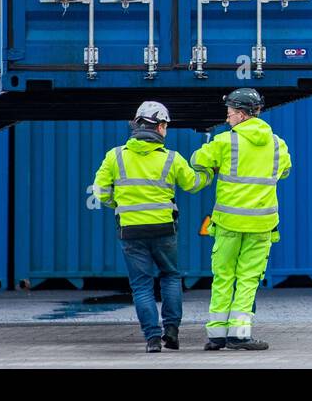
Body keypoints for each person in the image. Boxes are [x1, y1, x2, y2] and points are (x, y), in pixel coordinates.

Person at [92, 100, 212, 353]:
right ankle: (172, 331)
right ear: (158, 126)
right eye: (165, 125)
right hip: (164, 229)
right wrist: (209, 172)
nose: (166, 129)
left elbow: (101, 192)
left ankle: (152, 339)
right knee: (170, 277)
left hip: (131, 231)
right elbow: (193, 184)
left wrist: (121, 204)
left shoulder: (115, 156)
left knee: (141, 285)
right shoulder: (172, 158)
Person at [189, 88, 291, 351]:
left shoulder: (225, 142)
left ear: (243, 114)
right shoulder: (277, 144)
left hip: (228, 224)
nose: (227, 118)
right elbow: (286, 170)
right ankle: (240, 335)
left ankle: (216, 336)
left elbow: (197, 160)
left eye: (230, 113)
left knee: (223, 276)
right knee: (248, 279)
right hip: (261, 225)